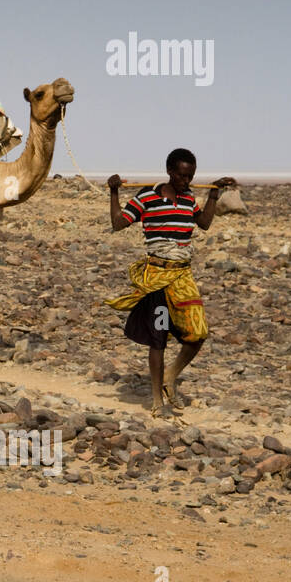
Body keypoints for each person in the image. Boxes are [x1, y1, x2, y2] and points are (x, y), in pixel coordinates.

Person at [103, 148, 237, 419]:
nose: (186, 181)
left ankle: (170, 377)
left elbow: (205, 223)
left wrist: (213, 194)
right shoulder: (148, 197)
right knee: (159, 337)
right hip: (158, 278)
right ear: (170, 172)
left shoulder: (188, 198)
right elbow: (118, 224)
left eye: (191, 176)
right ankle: (156, 400)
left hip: (182, 276)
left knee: (197, 333)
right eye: (182, 175)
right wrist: (114, 192)